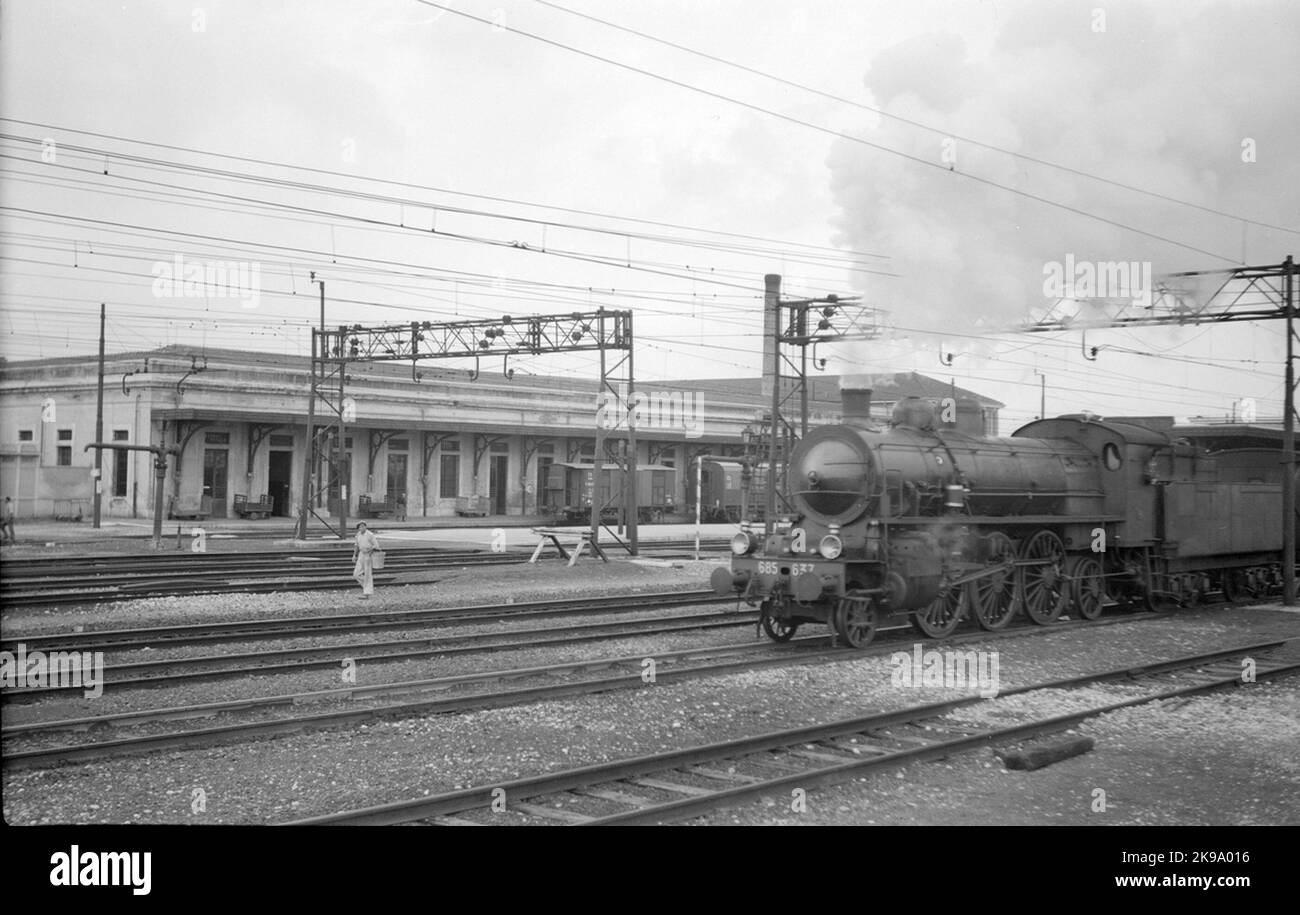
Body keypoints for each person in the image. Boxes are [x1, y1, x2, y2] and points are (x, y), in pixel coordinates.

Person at [351, 521, 379, 598]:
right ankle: (368, 588)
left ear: (366, 527)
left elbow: (376, 545)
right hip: (361, 554)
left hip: (368, 555)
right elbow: (356, 545)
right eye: (360, 527)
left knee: (367, 574)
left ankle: (367, 592)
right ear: (358, 528)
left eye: (363, 526)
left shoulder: (370, 535)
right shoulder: (358, 535)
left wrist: (371, 550)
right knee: (356, 574)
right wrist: (354, 555)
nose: (362, 528)